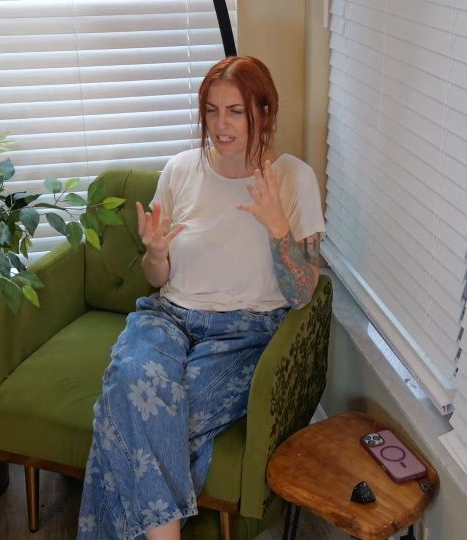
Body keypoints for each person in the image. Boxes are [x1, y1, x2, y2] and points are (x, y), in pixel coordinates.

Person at [76, 56, 325, 540]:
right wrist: (155, 252)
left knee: (139, 412)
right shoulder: (180, 169)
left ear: (264, 112)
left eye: (235, 111)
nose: (220, 124)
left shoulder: (294, 179)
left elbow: (302, 294)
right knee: (131, 382)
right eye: (211, 110)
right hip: (167, 319)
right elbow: (157, 279)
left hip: (245, 334)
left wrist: (278, 229)